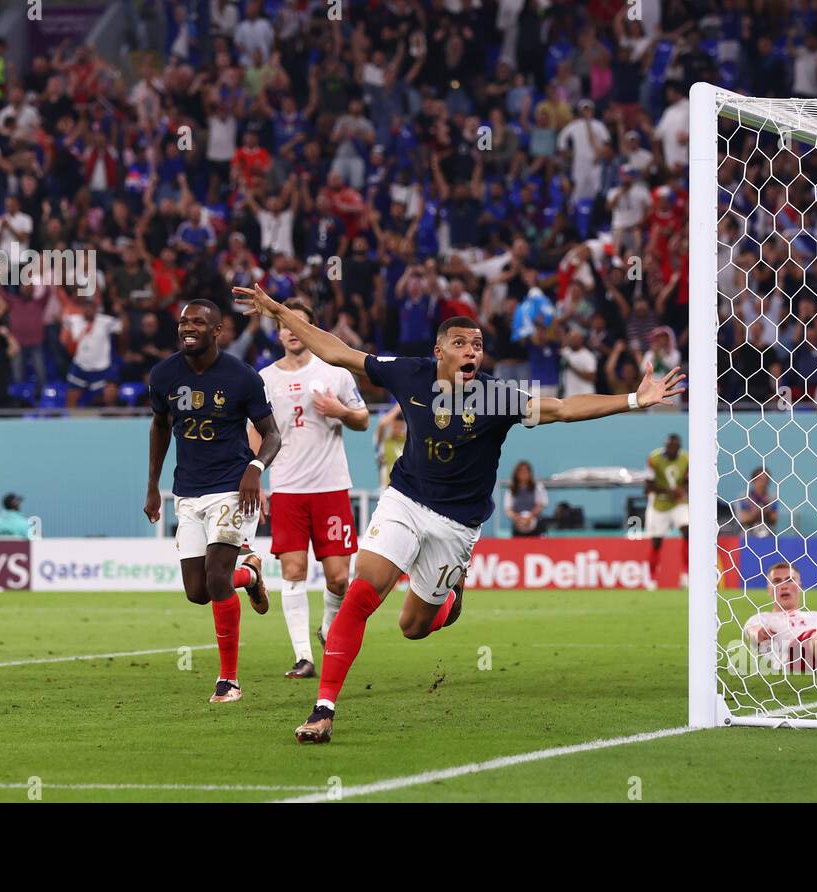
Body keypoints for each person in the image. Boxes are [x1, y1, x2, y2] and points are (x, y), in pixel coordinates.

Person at [234, 282, 684, 744]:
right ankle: (323, 708)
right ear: (439, 352)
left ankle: (450, 599)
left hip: (456, 525)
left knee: (413, 627)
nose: (472, 352)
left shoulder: (495, 397)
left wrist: (634, 399)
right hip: (405, 500)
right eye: (461, 344)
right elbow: (338, 350)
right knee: (361, 592)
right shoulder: (409, 374)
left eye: (479, 345)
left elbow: (564, 408)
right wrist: (275, 311)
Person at [145, 299, 282, 704]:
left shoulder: (242, 377)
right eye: (184, 322)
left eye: (198, 323)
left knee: (218, 577)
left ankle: (229, 680)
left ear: (218, 330)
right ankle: (252, 575)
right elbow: (159, 425)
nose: (188, 328)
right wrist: (153, 485)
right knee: (198, 591)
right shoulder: (164, 374)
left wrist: (255, 468)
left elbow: (272, 434)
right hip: (187, 490)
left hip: (231, 486)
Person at [253, 298, 370, 679]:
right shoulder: (265, 379)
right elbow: (256, 430)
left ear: (310, 329)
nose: (290, 330)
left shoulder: (334, 372)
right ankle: (304, 656)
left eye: (298, 324)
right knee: (293, 570)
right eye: (284, 324)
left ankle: (326, 629)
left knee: (338, 577)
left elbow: (364, 419)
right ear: (278, 331)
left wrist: (342, 412)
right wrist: (256, 476)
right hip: (287, 488)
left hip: (331, 487)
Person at [645, 433, 688, 589]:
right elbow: (648, 486)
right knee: (656, 542)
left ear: (678, 448)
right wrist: (669, 491)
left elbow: (687, 480)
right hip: (659, 504)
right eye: (669, 446)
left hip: (678, 503)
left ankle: (686, 574)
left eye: (674, 447)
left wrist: (681, 489)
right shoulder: (654, 459)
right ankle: (651, 578)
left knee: (687, 530)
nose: (671, 449)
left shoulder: (686, 459)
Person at [504, 460, 548, 538]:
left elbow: (541, 504)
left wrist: (530, 516)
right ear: (516, 474)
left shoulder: (538, 487)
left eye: (526, 471)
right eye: (521, 472)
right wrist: (518, 518)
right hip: (518, 526)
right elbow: (508, 509)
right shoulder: (511, 489)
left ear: (530, 473)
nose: (523, 474)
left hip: (535, 524)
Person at [736, 467, 777, 536]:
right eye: (760, 479)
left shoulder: (772, 498)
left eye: (766, 479)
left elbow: (774, 519)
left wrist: (766, 511)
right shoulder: (744, 497)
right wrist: (758, 512)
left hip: (768, 536)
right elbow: (743, 519)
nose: (763, 483)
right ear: (753, 480)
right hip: (747, 537)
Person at [374, 403, 406, 491]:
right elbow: (382, 424)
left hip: (405, 488)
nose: (397, 430)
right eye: (395, 427)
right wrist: (400, 405)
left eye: (400, 427)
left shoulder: (407, 441)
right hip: (387, 488)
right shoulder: (383, 441)